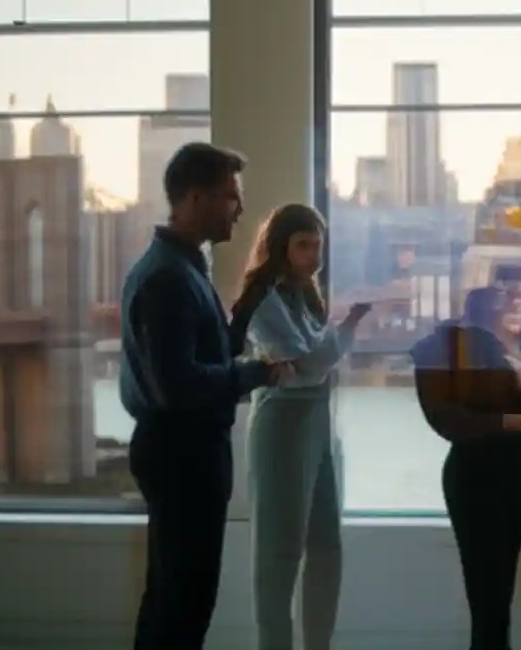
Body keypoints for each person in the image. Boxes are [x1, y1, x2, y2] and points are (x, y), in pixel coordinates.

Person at [120, 142, 288, 649]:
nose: (238, 208)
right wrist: (253, 374)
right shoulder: (169, 278)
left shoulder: (180, 267)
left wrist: (246, 309)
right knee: (184, 603)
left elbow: (201, 361)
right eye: (229, 196)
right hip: (182, 457)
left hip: (182, 453)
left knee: (175, 596)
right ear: (195, 198)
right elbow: (180, 386)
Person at [226, 204, 371, 650]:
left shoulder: (304, 293)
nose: (313, 255)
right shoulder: (263, 298)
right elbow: (308, 365)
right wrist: (346, 328)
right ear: (279, 246)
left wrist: (335, 337)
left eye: (318, 245)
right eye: (303, 245)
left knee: (327, 545)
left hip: (316, 422)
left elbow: (309, 361)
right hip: (283, 425)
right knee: (279, 556)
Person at [408, 286, 521, 650]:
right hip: (478, 477)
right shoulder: (446, 349)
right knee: (489, 599)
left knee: (496, 596)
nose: (515, 304)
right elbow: (450, 421)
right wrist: (516, 422)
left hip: (516, 474)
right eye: (506, 302)